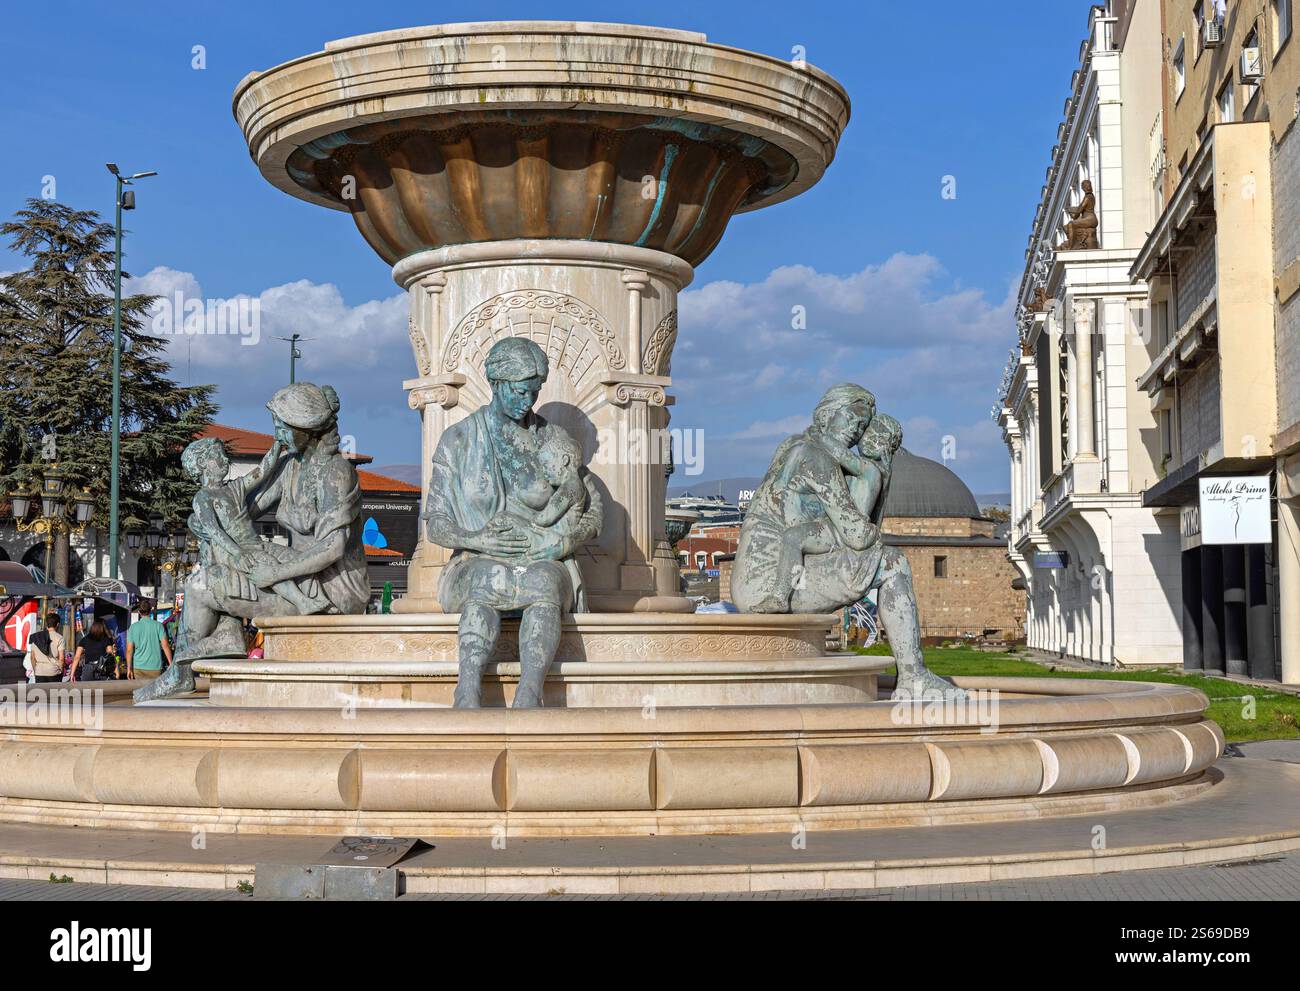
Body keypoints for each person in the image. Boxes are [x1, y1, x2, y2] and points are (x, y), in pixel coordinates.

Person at [426, 337, 603, 709]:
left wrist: (558, 545)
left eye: (534, 393)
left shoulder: (554, 441)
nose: (528, 402)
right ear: (497, 384)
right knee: (485, 580)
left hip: (542, 558)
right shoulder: (458, 440)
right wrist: (477, 540)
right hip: (475, 560)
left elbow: (593, 512)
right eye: (521, 392)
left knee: (544, 582)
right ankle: (468, 687)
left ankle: (530, 691)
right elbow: (436, 524)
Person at [126, 599, 173, 682]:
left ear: (139, 612)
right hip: (155, 667)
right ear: (150, 611)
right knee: (154, 693)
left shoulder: (133, 627)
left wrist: (129, 668)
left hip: (138, 667)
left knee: (140, 692)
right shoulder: (158, 626)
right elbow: (165, 646)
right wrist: (171, 663)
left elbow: (129, 650)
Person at [24, 612, 66, 684]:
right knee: (54, 694)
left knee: (41, 694)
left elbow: (32, 657)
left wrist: (36, 670)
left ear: (47, 624)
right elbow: (61, 659)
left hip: (39, 672)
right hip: (54, 672)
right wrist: (61, 670)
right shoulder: (59, 638)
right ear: (58, 624)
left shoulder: (36, 637)